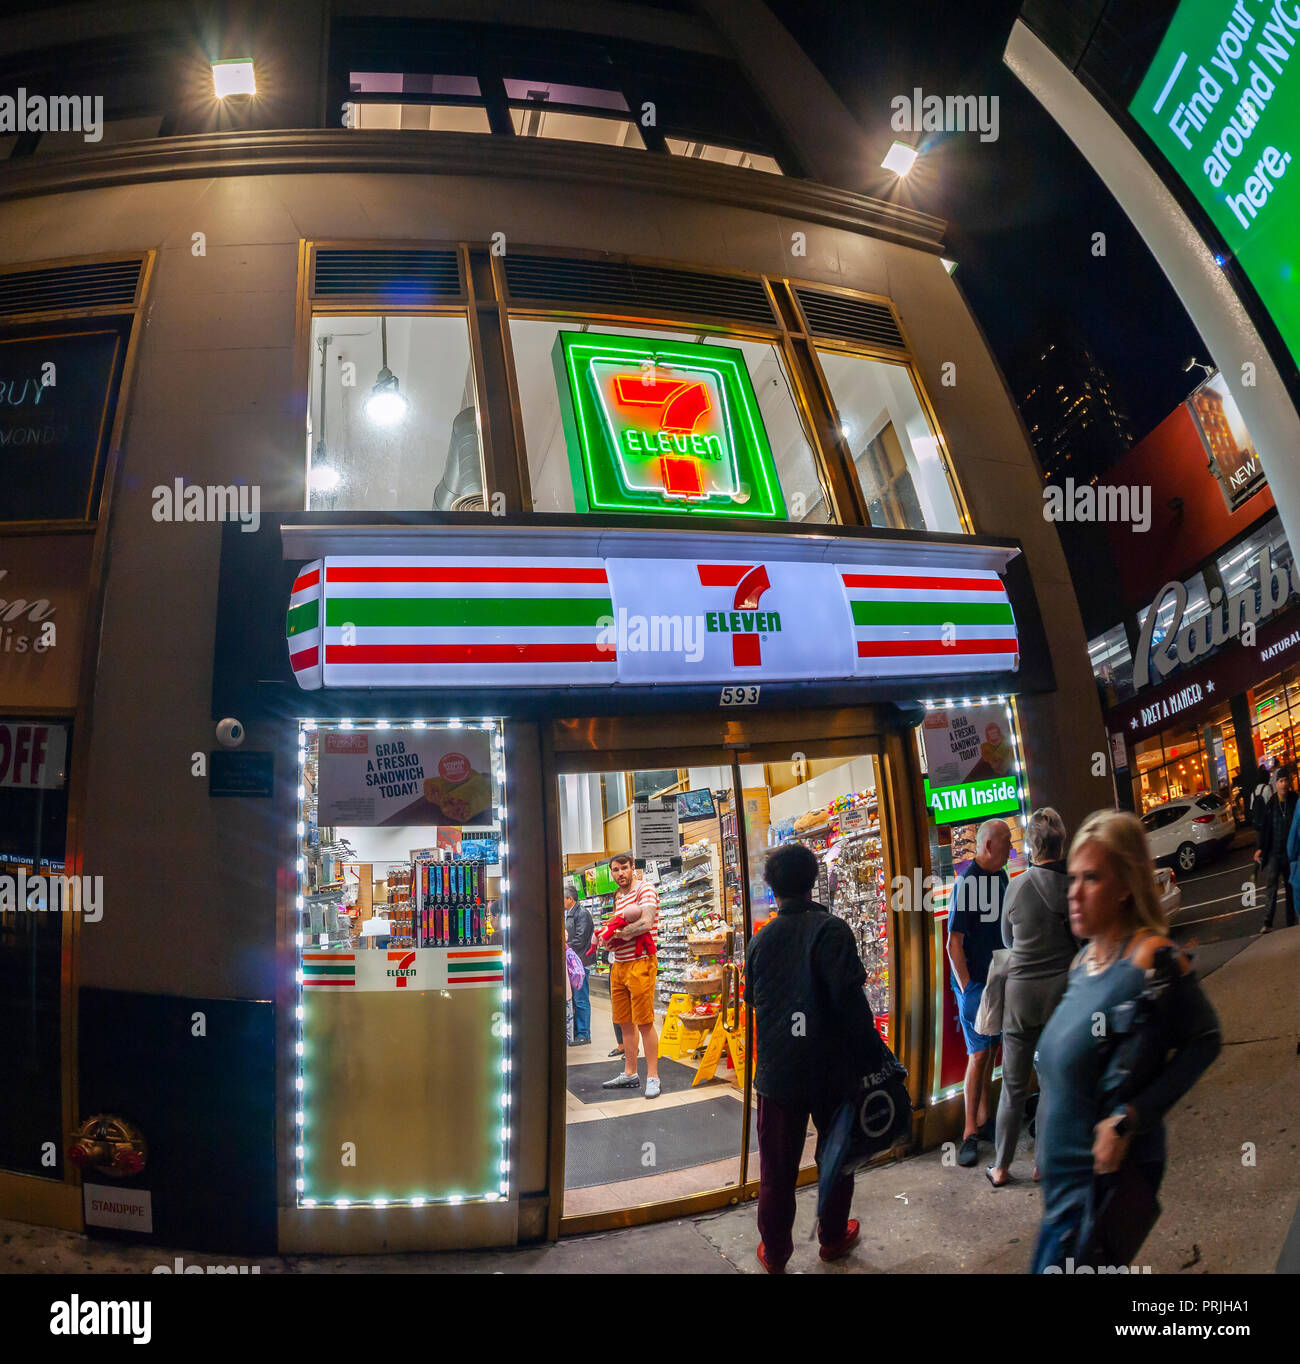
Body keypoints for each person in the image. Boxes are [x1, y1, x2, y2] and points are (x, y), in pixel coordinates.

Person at [1031, 810, 1221, 1273]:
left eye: (1090, 878)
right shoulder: (1082, 965)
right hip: (1061, 1192)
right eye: (1072, 877)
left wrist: (1128, 1119)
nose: (1073, 892)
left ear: (1123, 886)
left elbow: (1205, 1041)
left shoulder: (1154, 962)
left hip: (1097, 1191)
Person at [745, 843, 878, 1272]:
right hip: (831, 1070)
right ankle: (833, 1236)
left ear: (771, 887)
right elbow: (853, 1005)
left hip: (778, 1073)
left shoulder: (761, 940)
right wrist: (871, 1058)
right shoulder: (833, 930)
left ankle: (777, 1252)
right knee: (837, 1157)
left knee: (777, 1170)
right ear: (813, 879)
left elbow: (755, 1002)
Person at [987, 808, 1077, 1187]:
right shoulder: (1075, 885)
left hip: (1021, 996)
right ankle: (1043, 1162)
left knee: (1013, 1085)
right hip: (1061, 994)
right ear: (1061, 842)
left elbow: (1007, 940)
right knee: (1053, 1081)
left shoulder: (1018, 886)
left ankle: (1002, 1166)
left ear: (1032, 847)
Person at [946, 818, 1011, 1167]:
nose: (1011, 849)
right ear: (988, 846)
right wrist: (969, 987)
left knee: (991, 1050)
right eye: (1007, 843)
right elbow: (953, 943)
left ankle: (984, 1120)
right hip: (976, 985)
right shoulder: (967, 883)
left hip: (996, 977)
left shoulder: (999, 876)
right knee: (979, 1055)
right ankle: (969, 1130)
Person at [600, 853, 661, 1098]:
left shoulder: (645, 889)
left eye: (624, 868)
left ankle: (653, 1075)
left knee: (645, 1022)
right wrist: (609, 940)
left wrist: (618, 935)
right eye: (615, 870)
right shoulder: (619, 897)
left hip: (641, 963)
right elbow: (615, 926)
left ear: (633, 867)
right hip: (620, 966)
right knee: (624, 1021)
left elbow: (646, 922)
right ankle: (630, 1072)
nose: (620, 874)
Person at [1256, 768, 1298, 933]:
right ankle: (1268, 922)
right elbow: (1266, 829)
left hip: (1291, 851)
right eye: (1281, 781)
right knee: (1271, 887)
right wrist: (1260, 848)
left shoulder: (1295, 800)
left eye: (1286, 780)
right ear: (1276, 783)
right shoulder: (1272, 803)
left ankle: (1290, 922)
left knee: (1290, 887)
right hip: (1275, 852)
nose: (1284, 784)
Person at [564, 885, 593, 1047]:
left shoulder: (581, 914)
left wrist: (565, 948)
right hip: (575, 962)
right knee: (576, 998)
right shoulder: (571, 913)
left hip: (581, 962)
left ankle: (584, 1033)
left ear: (570, 899)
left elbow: (580, 939)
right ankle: (578, 1032)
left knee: (581, 999)